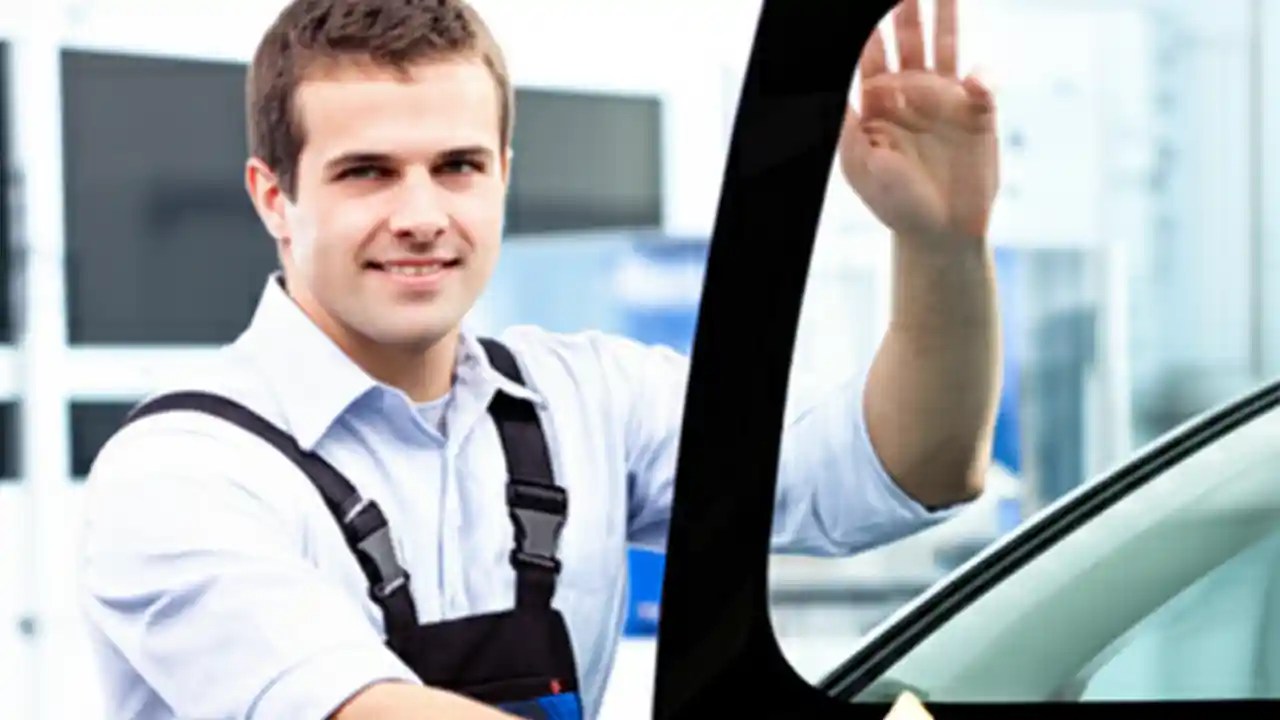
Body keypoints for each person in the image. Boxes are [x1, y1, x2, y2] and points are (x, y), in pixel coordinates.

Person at [76, 0, 1000, 718]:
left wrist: (943, 248)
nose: (423, 215)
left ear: (504, 174)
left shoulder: (589, 401)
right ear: (273, 197)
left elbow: (901, 471)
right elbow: (361, 710)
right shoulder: (179, 473)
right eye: (367, 172)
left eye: (458, 166)